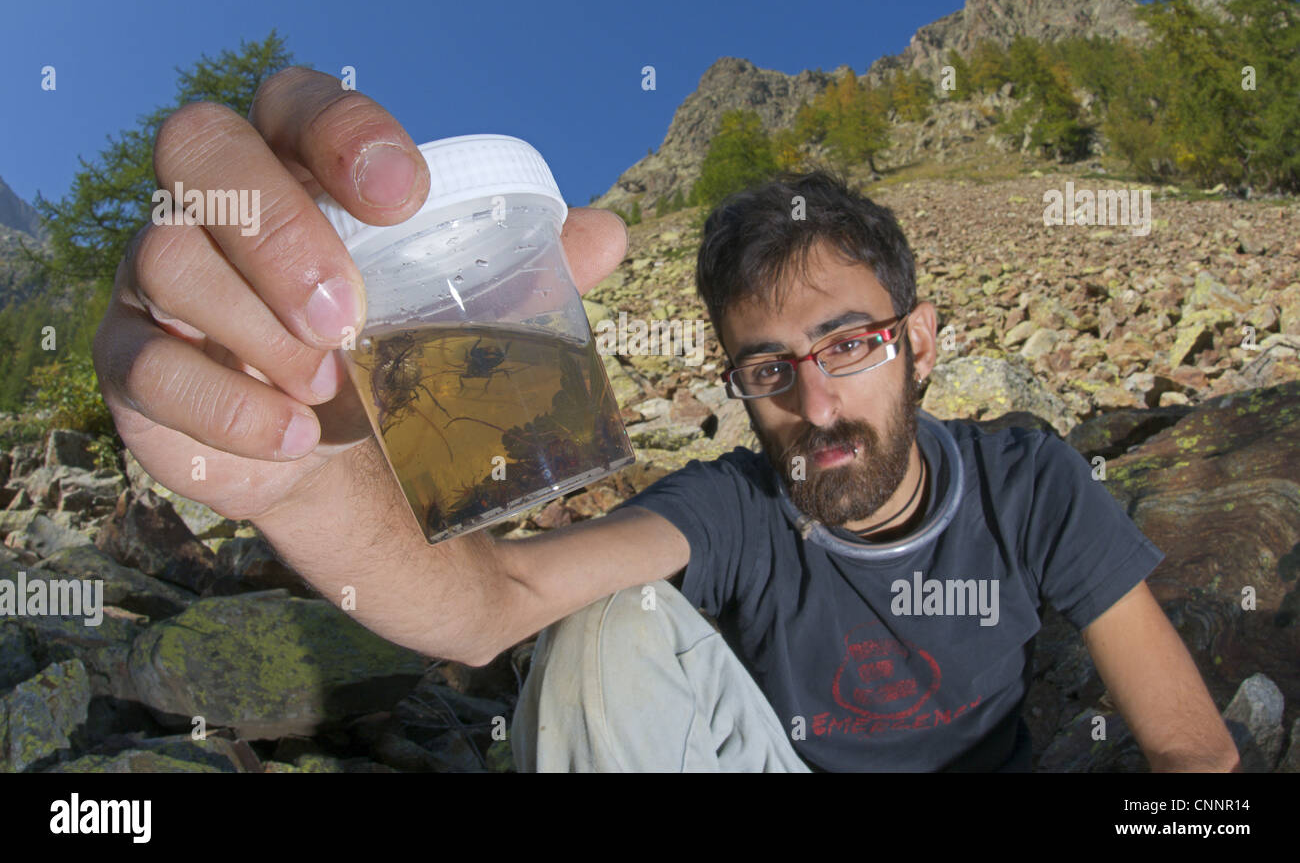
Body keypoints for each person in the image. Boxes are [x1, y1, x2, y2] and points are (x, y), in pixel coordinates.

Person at [94, 67, 1239, 773]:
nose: (817, 401)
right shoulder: (737, 508)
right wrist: (309, 482)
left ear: (922, 341)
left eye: (849, 342)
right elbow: (498, 601)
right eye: (767, 366)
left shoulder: (1026, 478)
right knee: (605, 627)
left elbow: (1191, 745)